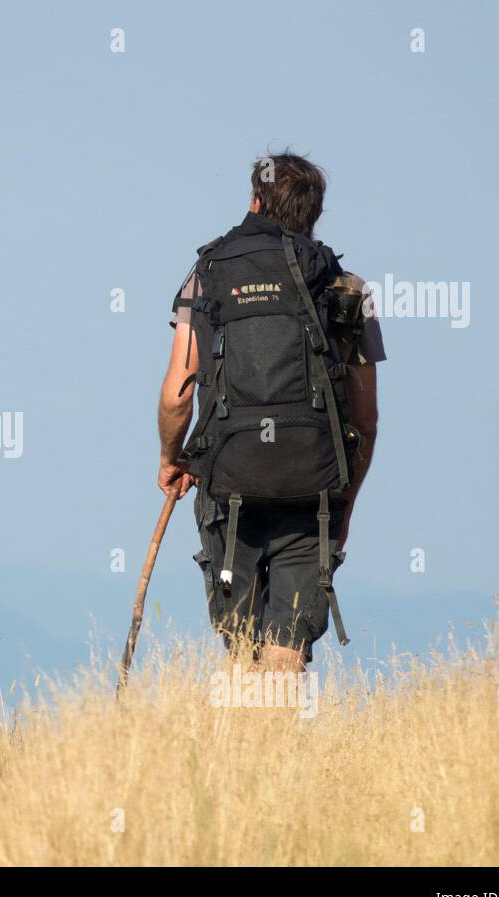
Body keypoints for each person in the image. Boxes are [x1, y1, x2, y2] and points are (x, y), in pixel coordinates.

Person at [156, 152, 384, 671]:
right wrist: (345, 503)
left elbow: (178, 392)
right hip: (314, 487)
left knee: (240, 642)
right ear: (314, 214)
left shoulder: (207, 275)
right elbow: (366, 420)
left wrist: (171, 458)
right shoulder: (348, 288)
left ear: (255, 201)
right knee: (287, 647)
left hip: (227, 481)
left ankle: (242, 750)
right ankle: (277, 748)